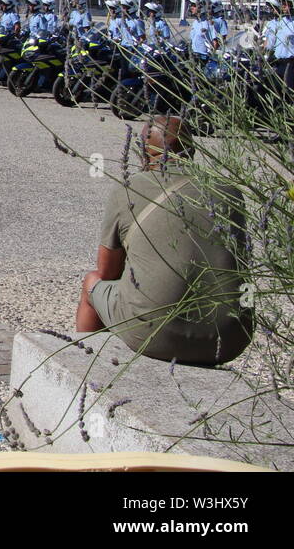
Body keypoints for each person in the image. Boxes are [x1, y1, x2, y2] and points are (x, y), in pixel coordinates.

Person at [76, 115, 252, 364]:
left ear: (144, 153)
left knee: (92, 282)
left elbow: (107, 272)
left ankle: (83, 364)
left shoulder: (129, 189)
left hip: (153, 335)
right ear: (192, 151)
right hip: (231, 338)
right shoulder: (231, 191)